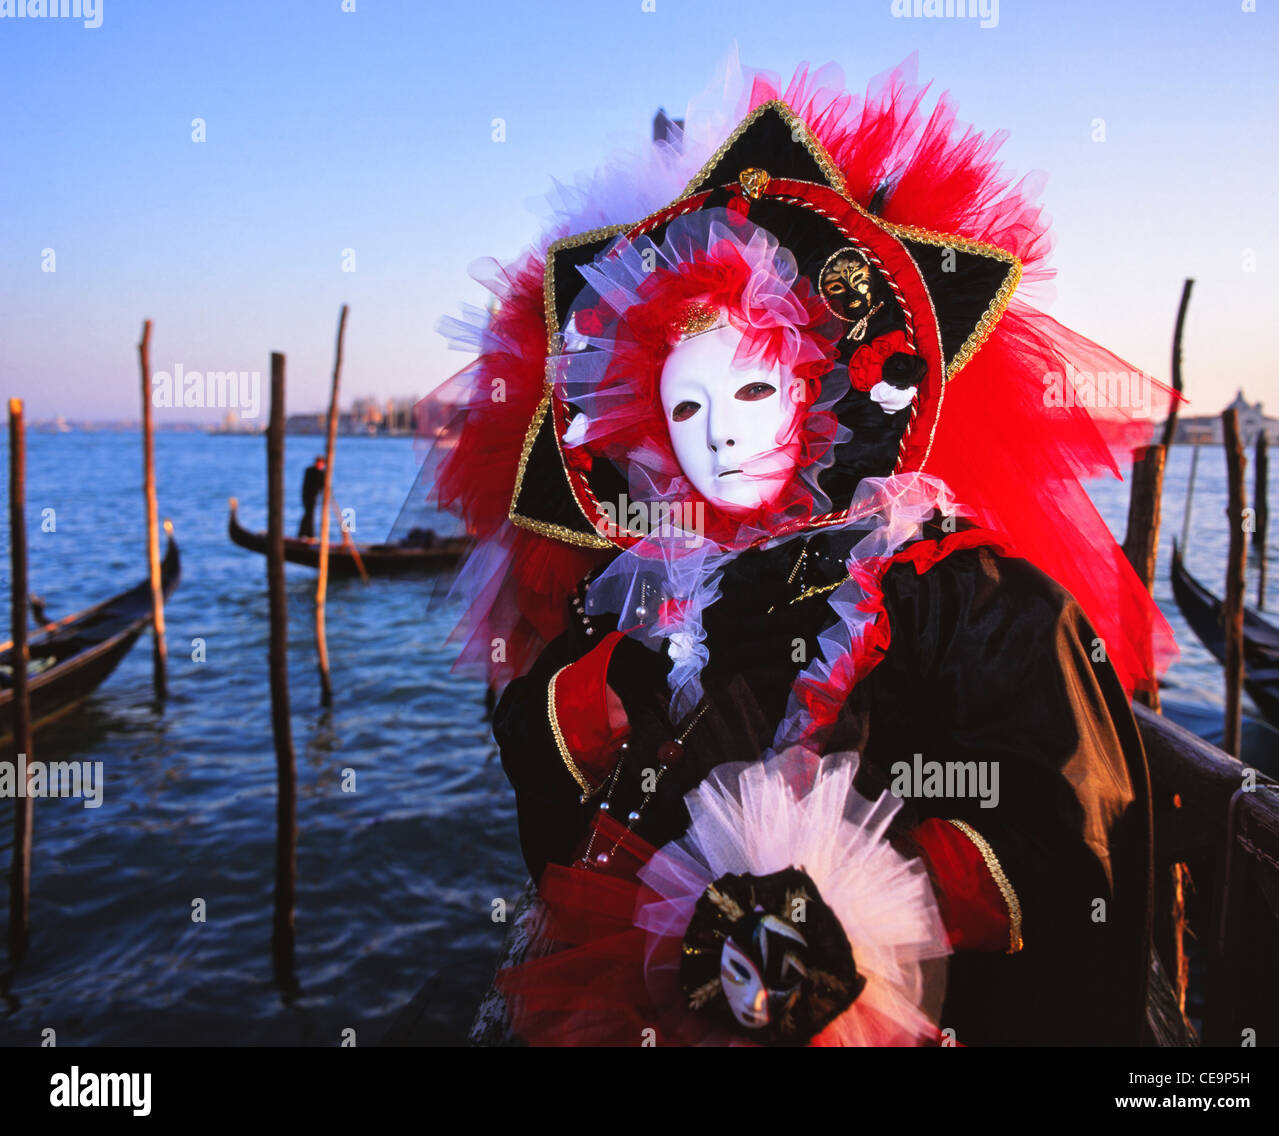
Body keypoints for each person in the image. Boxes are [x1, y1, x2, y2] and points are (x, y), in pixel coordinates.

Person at [427, 57, 1178, 1046]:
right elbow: (540, 755)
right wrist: (601, 691)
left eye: (749, 391)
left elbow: (1068, 820)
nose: (719, 436)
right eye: (683, 404)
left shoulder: (954, 588)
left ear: (814, 385)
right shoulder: (647, 584)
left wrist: (866, 910)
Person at [298, 455, 326, 539]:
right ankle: (307, 534)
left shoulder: (321, 472)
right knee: (308, 513)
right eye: (318, 462)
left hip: (314, 496)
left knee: (310, 514)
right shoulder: (310, 471)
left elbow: (322, 485)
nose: (319, 464)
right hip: (307, 496)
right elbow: (314, 484)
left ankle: (308, 534)